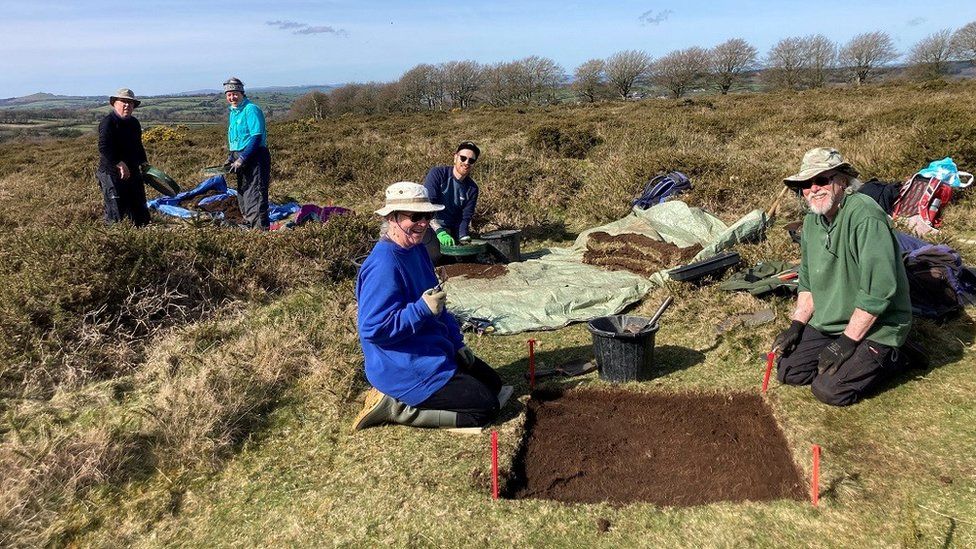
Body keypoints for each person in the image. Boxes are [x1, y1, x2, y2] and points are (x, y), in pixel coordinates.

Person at [353, 181, 510, 430]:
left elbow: (438, 303)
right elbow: (373, 329)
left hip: (430, 350)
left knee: (494, 384)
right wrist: (421, 310)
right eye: (415, 217)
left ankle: (440, 376)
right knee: (486, 408)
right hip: (404, 366)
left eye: (427, 216)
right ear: (392, 218)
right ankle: (397, 409)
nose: (423, 223)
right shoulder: (384, 265)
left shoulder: (416, 249)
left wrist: (457, 344)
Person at [773, 147, 912, 406]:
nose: (814, 188)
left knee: (829, 390)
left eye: (822, 179)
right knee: (789, 371)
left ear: (843, 181)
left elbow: (878, 290)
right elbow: (807, 281)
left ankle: (898, 356)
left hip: (880, 324)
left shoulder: (865, 216)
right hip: (833, 321)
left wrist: (847, 342)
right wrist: (796, 325)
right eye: (806, 184)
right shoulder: (811, 223)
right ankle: (857, 355)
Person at [223, 77, 271, 230]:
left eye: (235, 94)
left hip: (255, 156)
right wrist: (232, 157)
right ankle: (249, 225)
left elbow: (256, 136)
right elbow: (236, 138)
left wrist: (243, 157)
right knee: (243, 192)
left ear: (242, 93)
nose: (232, 97)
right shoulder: (234, 112)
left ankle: (260, 230)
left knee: (255, 193)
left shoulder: (251, 109)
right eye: (229, 94)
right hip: (239, 156)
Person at [97, 88, 149, 226]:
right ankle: (115, 236)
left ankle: (139, 234)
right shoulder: (108, 123)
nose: (127, 105)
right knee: (116, 212)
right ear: (114, 103)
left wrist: (144, 162)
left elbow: (138, 145)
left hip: (132, 170)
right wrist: (119, 163)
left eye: (130, 103)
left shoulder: (134, 123)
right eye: (123, 102)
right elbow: (104, 147)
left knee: (140, 211)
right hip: (111, 173)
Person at [423, 141, 481, 252]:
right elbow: (427, 206)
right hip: (430, 226)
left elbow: (465, 216)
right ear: (455, 157)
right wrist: (439, 231)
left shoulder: (472, 188)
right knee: (434, 254)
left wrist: (463, 236)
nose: (466, 162)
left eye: (471, 160)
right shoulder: (437, 174)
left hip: (451, 229)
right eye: (463, 158)